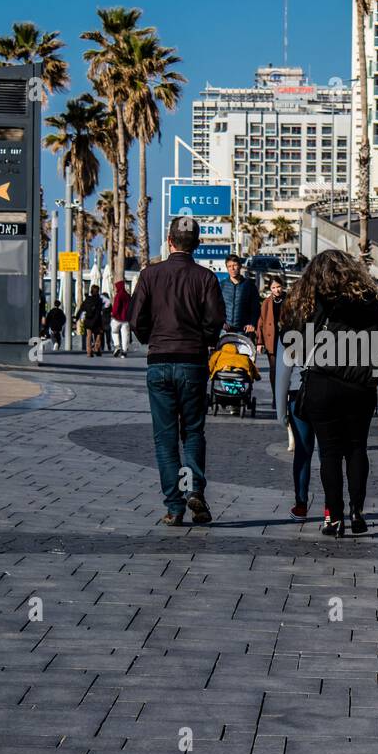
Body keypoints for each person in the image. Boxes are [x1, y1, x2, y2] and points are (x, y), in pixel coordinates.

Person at [283, 249, 378, 538]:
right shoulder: (367, 301)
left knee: (329, 453)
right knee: (357, 449)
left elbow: (291, 341)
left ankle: (334, 517)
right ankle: (357, 511)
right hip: (360, 386)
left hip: (323, 384)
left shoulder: (313, 301)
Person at [131, 216, 226, 527]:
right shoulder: (206, 278)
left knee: (165, 438)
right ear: (196, 244)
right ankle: (194, 488)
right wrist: (202, 340)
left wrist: (152, 339)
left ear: (169, 242)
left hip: (159, 362)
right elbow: (215, 322)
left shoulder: (149, 275)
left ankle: (174, 505)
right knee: (194, 432)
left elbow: (136, 321)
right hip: (192, 362)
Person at [274, 300, 318, 522]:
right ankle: (332, 508)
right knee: (331, 453)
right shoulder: (328, 327)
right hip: (326, 394)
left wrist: (281, 411)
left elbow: (282, 374)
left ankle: (301, 504)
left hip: (297, 396)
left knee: (302, 451)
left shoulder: (289, 333)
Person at [222, 255, 261, 336]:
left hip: (243, 331)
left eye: (235, 265)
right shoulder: (222, 285)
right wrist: (221, 322)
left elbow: (256, 308)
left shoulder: (250, 286)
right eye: (229, 266)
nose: (232, 268)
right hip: (225, 330)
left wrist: (252, 323)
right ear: (227, 268)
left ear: (240, 266)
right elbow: (216, 308)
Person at [76, 286, 108, 358]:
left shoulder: (87, 300)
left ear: (91, 291)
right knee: (99, 335)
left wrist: (76, 318)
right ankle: (96, 348)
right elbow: (102, 309)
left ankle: (89, 352)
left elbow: (81, 309)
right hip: (97, 321)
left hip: (88, 320)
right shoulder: (99, 300)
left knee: (88, 336)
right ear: (98, 291)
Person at [111, 278, 132, 358]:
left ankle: (117, 346)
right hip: (126, 319)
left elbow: (116, 307)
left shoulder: (118, 295)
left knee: (114, 332)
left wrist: (113, 314)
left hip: (117, 319)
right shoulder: (127, 296)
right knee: (125, 335)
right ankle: (124, 351)